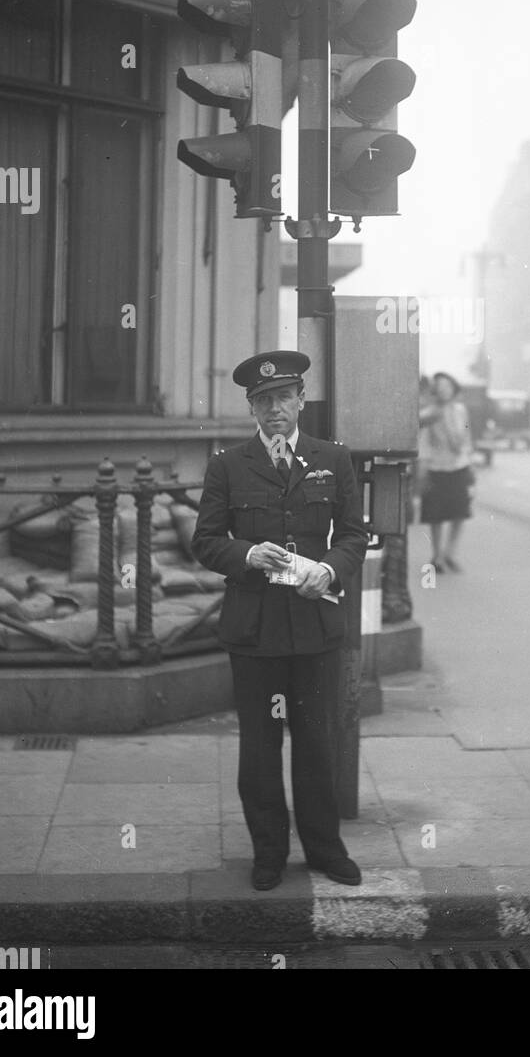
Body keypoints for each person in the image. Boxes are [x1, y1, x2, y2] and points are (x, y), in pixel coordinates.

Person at [191, 350, 367, 893]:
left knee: (317, 744)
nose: (274, 409)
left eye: (283, 398)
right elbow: (205, 541)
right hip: (255, 630)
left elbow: (356, 536)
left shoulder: (332, 459)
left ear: (300, 402)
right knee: (260, 748)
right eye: (263, 401)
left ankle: (324, 851)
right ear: (251, 407)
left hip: (315, 626)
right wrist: (245, 554)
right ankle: (268, 853)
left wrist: (331, 571)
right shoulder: (228, 465)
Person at [419, 371, 474, 573]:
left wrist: (469, 460)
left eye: (447, 386)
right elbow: (423, 437)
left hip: (459, 466)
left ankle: (450, 552)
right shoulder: (430, 412)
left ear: (453, 388)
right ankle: (437, 555)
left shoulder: (461, 411)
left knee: (459, 512)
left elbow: (467, 436)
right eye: (440, 386)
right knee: (436, 515)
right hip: (437, 468)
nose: (444, 390)